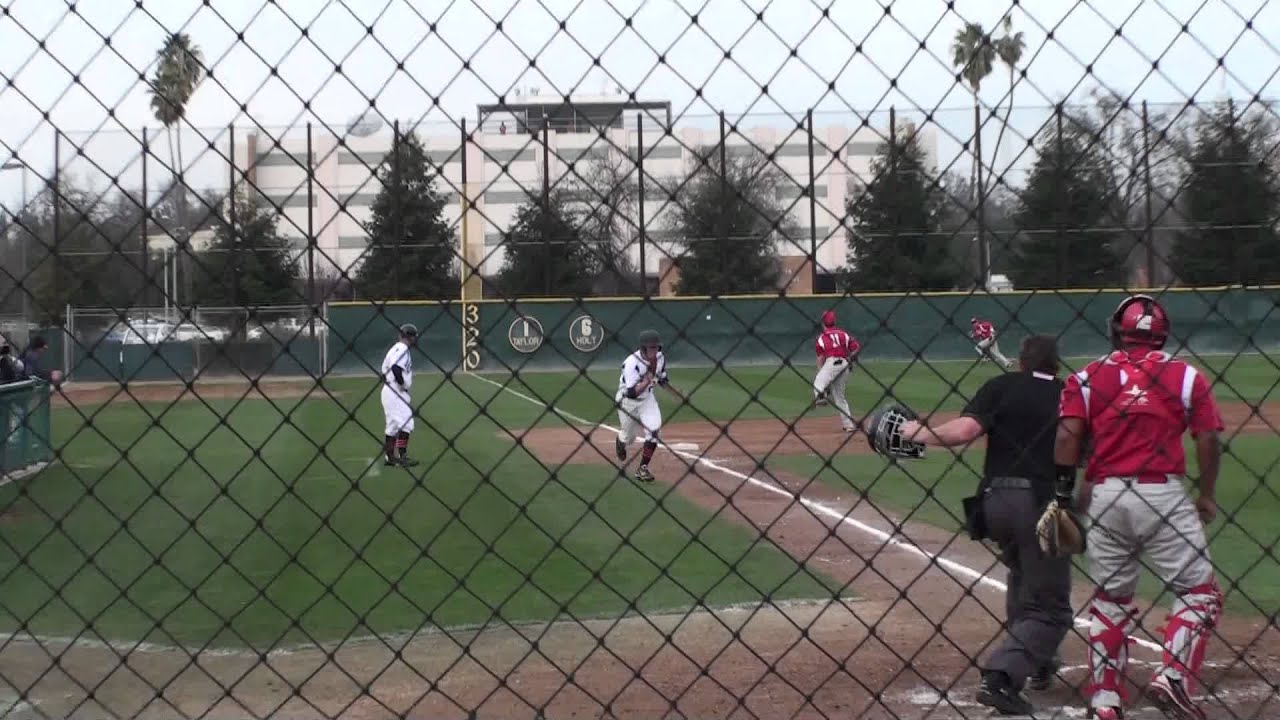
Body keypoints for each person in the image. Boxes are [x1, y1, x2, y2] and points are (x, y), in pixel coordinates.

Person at [1055, 294, 1223, 720]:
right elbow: (1208, 438)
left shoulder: (1087, 377)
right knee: (1199, 594)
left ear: (1117, 330)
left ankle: (1105, 703)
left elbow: (1067, 437)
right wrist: (1206, 494)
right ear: (1163, 334)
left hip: (1106, 495)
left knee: (1110, 600)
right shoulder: (1186, 376)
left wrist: (1062, 497)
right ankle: (1173, 677)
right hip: (1162, 493)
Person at [899, 335, 1070, 715]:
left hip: (995, 504)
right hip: (1042, 504)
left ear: (1021, 363)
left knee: (1024, 574)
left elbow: (964, 432)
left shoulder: (1002, 385)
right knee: (1052, 608)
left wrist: (917, 433)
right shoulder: (1068, 394)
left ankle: (1038, 661)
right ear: (1056, 365)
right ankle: (1001, 678)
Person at [615, 329, 684, 483]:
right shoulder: (631, 363)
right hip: (627, 402)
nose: (654, 349)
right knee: (629, 438)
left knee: (654, 430)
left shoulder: (660, 358)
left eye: (656, 346)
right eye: (651, 347)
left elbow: (662, 379)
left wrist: (676, 394)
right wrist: (646, 381)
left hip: (647, 400)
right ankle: (621, 440)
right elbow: (631, 393)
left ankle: (642, 469)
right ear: (643, 347)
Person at [380, 323, 421, 468]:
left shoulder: (395, 348)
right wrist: (402, 384)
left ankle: (390, 457)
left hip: (389, 390)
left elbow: (387, 368)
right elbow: (396, 368)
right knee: (406, 423)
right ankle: (402, 456)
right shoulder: (402, 349)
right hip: (395, 391)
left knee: (392, 426)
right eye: (414, 337)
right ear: (409, 337)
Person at [811, 310, 859, 432]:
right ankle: (849, 425)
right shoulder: (844, 334)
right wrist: (850, 359)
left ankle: (821, 397)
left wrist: (821, 372)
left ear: (823, 323)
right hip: (844, 363)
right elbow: (856, 348)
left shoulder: (822, 337)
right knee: (840, 397)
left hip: (832, 362)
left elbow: (821, 358)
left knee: (818, 381)